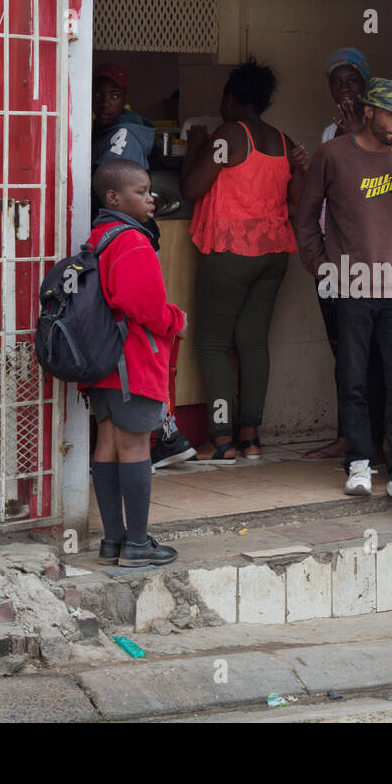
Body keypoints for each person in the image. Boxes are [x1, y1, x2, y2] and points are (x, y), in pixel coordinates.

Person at [295, 78, 392, 510]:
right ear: (369, 112)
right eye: (391, 114)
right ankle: (359, 463)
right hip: (351, 285)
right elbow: (306, 221)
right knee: (353, 378)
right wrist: (324, 272)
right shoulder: (333, 154)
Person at [181, 58, 309, 463]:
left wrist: (197, 147)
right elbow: (301, 202)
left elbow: (191, 187)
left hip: (231, 250)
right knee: (253, 343)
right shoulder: (285, 142)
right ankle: (250, 437)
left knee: (213, 344)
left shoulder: (229, 135)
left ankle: (220, 438)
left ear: (231, 99)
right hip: (273, 254)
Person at [92, 62, 197, 471]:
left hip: (129, 248)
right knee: (141, 346)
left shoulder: (124, 134)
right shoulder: (112, 130)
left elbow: (115, 184)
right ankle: (165, 434)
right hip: (124, 248)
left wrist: (172, 320)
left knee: (145, 343)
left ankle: (164, 434)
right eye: (99, 93)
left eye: (113, 95)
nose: (104, 102)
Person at [85, 159, 185, 566]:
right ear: (113, 197)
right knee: (135, 444)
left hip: (103, 361)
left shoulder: (99, 235)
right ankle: (139, 544)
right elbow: (144, 306)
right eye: (141, 192)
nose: (151, 199)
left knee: (108, 442)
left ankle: (113, 542)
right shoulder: (132, 241)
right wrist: (175, 319)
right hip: (133, 360)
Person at [303, 47, 387, 463]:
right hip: (331, 259)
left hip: (370, 261)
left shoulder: (381, 134)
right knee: (343, 352)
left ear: (366, 84)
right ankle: (349, 436)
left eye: (351, 80)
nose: (343, 89)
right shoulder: (327, 134)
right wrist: (318, 260)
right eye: (336, 83)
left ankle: (372, 442)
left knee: (372, 354)